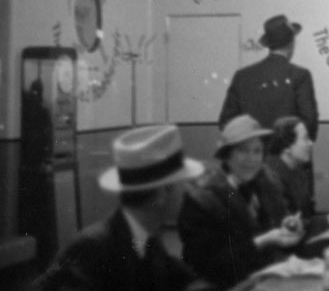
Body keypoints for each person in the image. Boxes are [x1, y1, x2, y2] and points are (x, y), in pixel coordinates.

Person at [34, 125, 212, 291]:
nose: (188, 190)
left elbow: (186, 281)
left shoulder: (147, 241)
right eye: (183, 183)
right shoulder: (92, 250)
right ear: (162, 193)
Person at [177, 115, 304, 288]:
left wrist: (289, 225)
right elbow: (209, 267)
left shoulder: (267, 182)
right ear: (226, 155)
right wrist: (263, 241)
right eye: (243, 151)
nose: (252, 159)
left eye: (257, 150)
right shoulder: (202, 197)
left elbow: (280, 233)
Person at [219, 14, 319, 140]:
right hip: (287, 155)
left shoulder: (242, 76)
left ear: (269, 44)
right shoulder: (300, 76)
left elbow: (226, 123)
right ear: (291, 44)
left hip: (252, 155)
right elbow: (310, 123)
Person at [265, 116, 329, 238]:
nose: (311, 143)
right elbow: (287, 228)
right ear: (287, 147)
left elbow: (307, 216)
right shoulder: (271, 178)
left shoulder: (298, 170)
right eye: (305, 138)